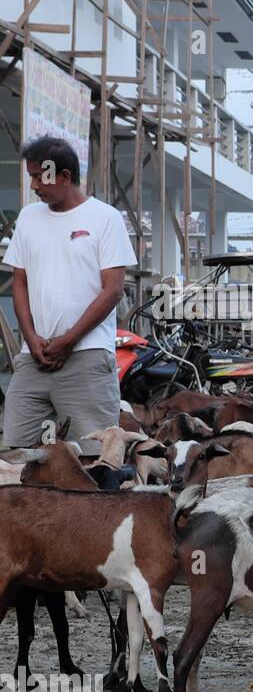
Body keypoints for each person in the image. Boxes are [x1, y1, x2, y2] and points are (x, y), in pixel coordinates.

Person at [2, 135, 136, 456]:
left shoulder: (105, 218)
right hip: (34, 357)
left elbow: (113, 289)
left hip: (86, 357)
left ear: (64, 177)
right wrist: (31, 338)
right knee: (17, 454)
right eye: (31, 176)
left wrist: (69, 339)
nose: (34, 184)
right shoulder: (29, 218)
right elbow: (19, 282)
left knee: (91, 456)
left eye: (40, 176)